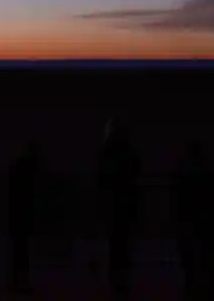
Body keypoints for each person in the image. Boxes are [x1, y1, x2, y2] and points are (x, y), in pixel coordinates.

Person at [97, 118, 140, 301]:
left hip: (116, 209)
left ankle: (117, 285)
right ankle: (120, 285)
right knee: (122, 250)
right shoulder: (128, 154)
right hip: (123, 210)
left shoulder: (108, 154)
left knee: (116, 250)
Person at [172, 142, 214, 301]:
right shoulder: (208, 176)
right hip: (203, 224)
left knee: (192, 263)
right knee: (203, 261)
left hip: (192, 224)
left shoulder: (184, 177)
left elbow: (179, 202)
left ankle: (193, 289)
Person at [8, 140, 41, 294]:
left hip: (17, 216)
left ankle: (17, 281)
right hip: (23, 216)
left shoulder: (17, 169)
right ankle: (20, 281)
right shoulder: (30, 170)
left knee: (18, 250)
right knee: (22, 250)